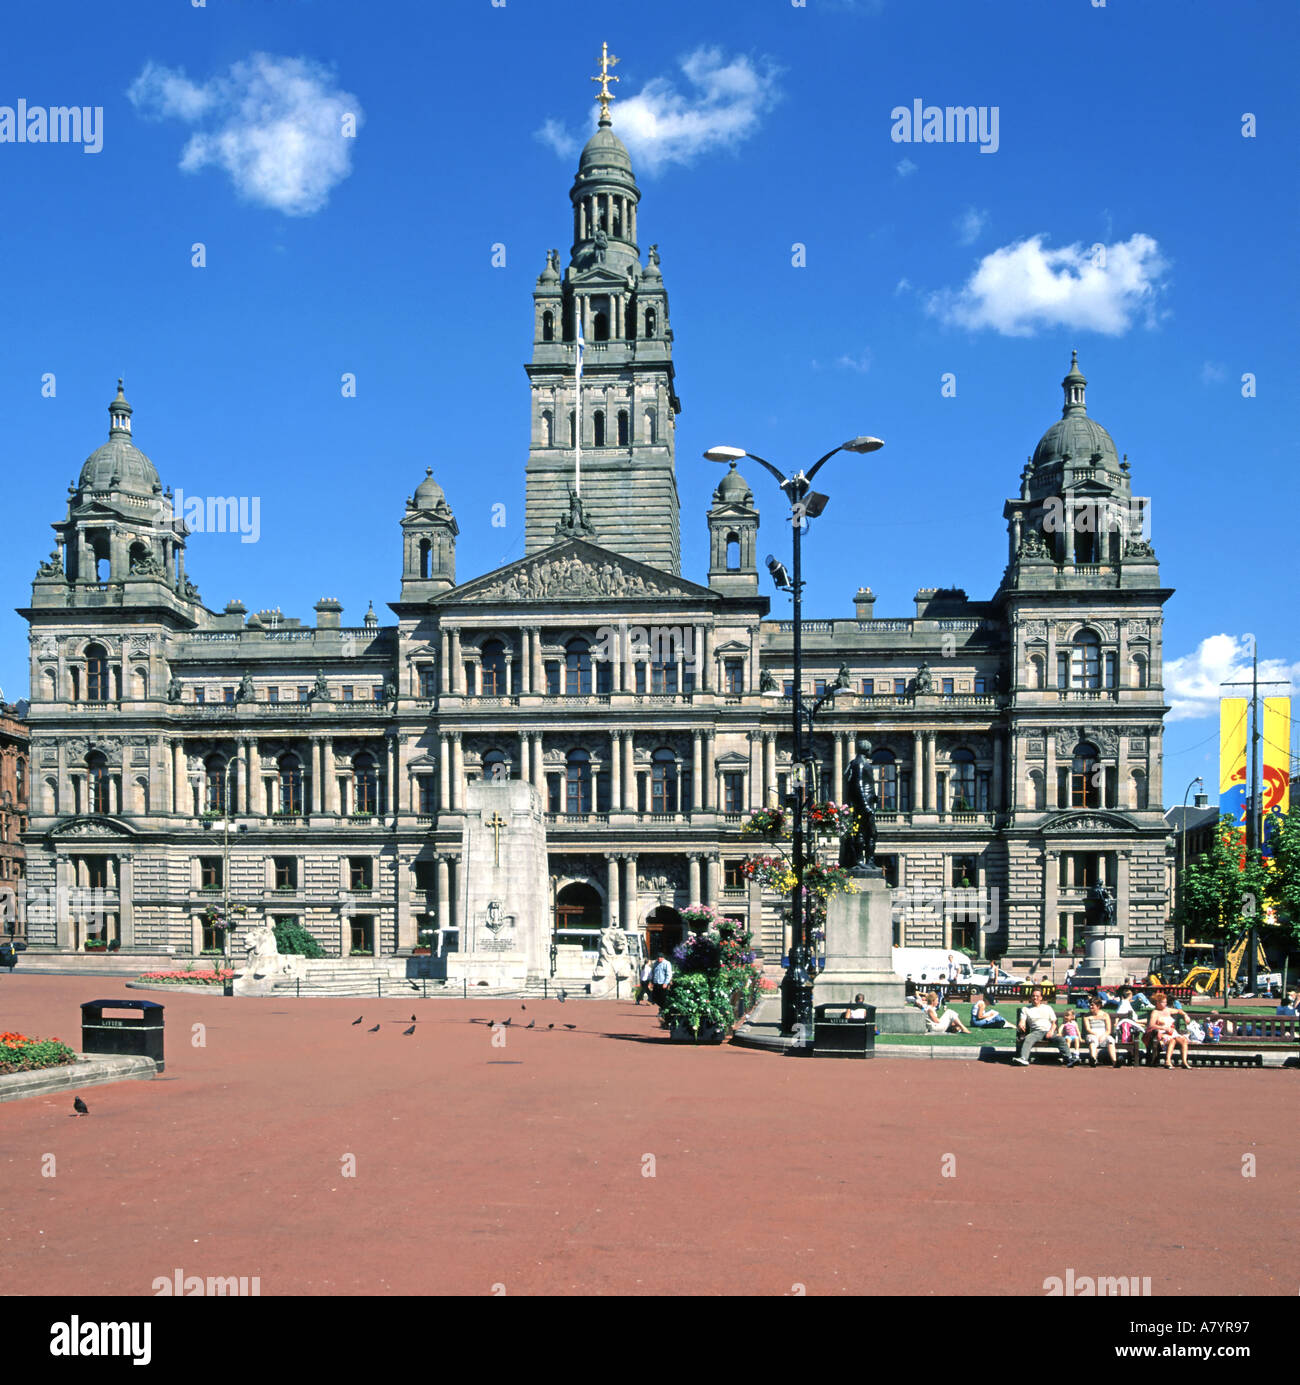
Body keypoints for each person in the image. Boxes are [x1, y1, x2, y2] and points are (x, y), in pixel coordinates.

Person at [1012, 987, 1078, 1066]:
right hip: (1036, 1032)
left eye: (1037, 996)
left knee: (1060, 1039)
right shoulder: (1025, 1009)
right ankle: (1024, 1059)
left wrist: (1051, 1031)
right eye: (1033, 996)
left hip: (1049, 1031)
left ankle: (1069, 1059)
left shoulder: (1047, 1008)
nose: (1035, 998)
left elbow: (1054, 1023)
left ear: (1041, 998)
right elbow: (1022, 1020)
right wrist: (1021, 1023)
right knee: (1028, 1038)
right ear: (1031, 997)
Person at [1145, 991, 1190, 1069]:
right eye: (1163, 1002)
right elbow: (1151, 1025)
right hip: (1161, 1033)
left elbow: (1179, 1011)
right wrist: (1164, 1028)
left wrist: (1185, 1015)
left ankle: (1184, 1062)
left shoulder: (1167, 1010)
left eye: (1166, 1002)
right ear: (1157, 1003)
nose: (1165, 1004)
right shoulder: (1155, 1012)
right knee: (1172, 1040)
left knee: (1184, 1040)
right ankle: (1168, 1061)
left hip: (1172, 1032)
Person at [1081, 996, 1118, 1066]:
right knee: (1092, 1041)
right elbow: (1088, 1029)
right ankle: (1093, 1060)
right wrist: (1096, 1035)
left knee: (1110, 1040)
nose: (1090, 1006)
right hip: (1092, 1034)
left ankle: (1115, 1061)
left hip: (1104, 1034)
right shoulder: (1086, 1016)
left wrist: (1103, 1036)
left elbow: (1108, 1030)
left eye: (1092, 1005)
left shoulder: (1105, 1015)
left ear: (1098, 1006)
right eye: (1090, 1004)